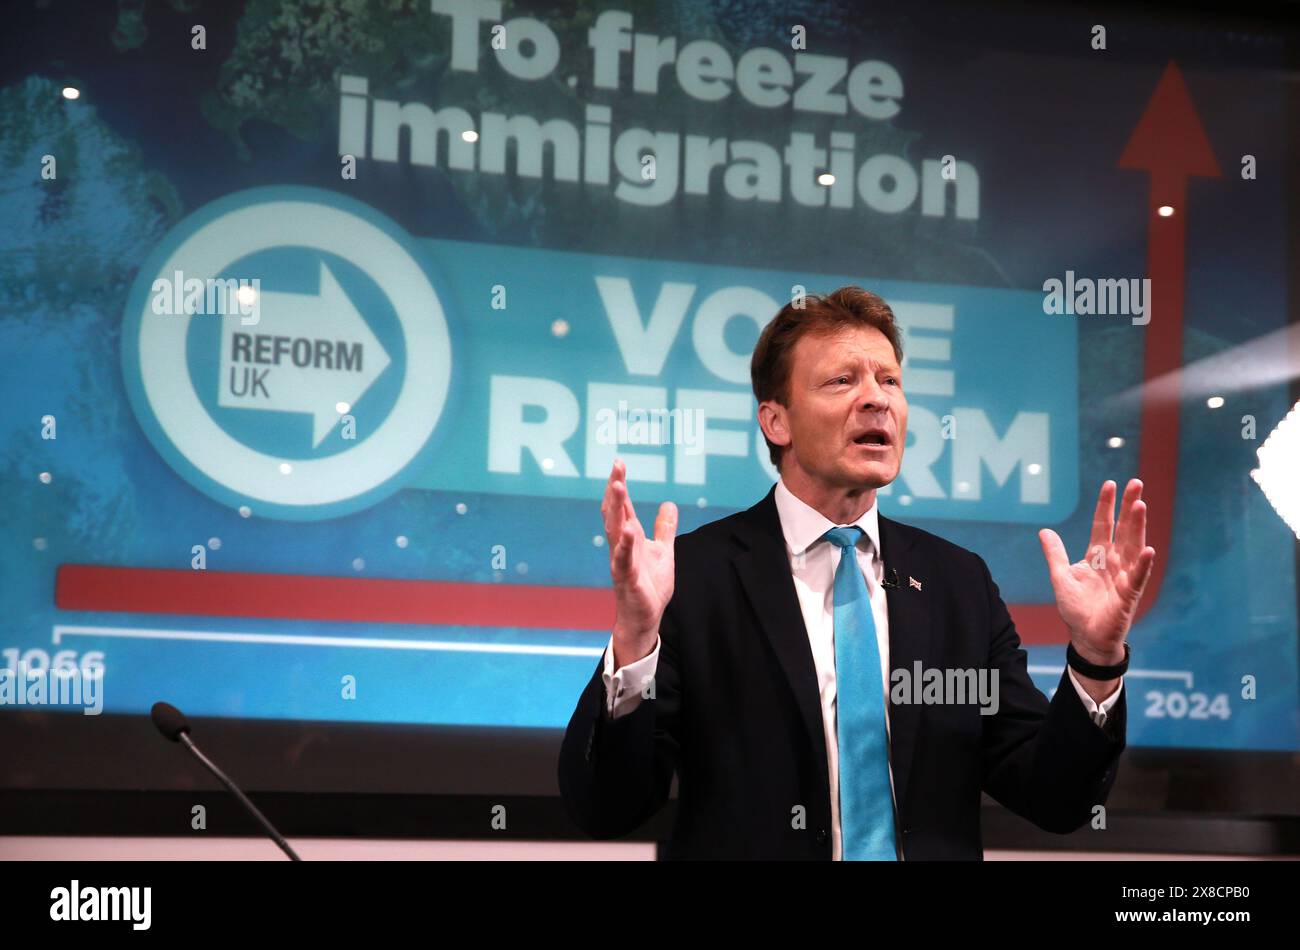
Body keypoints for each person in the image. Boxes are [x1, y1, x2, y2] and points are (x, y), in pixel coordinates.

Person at [558, 286, 1155, 859]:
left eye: (889, 380)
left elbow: (1054, 799)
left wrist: (1096, 658)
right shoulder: (696, 577)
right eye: (843, 380)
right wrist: (636, 640)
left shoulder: (958, 584)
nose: (877, 399)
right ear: (777, 422)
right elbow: (608, 808)